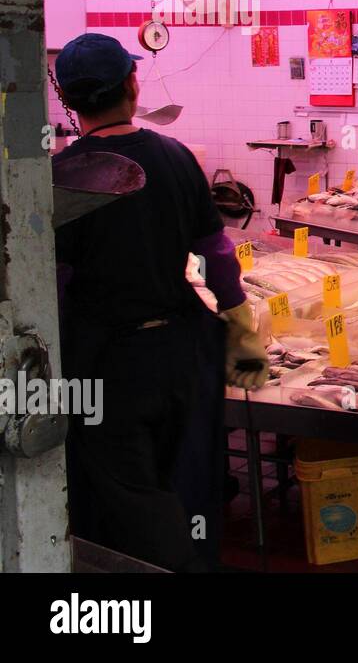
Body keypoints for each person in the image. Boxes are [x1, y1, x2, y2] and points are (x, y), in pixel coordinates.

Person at [52, 33, 264, 573]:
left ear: (69, 102)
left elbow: (53, 281)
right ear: (132, 83)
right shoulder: (176, 157)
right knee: (184, 480)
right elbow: (216, 254)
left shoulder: (59, 178)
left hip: (107, 366)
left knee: (127, 496)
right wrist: (242, 332)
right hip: (183, 353)